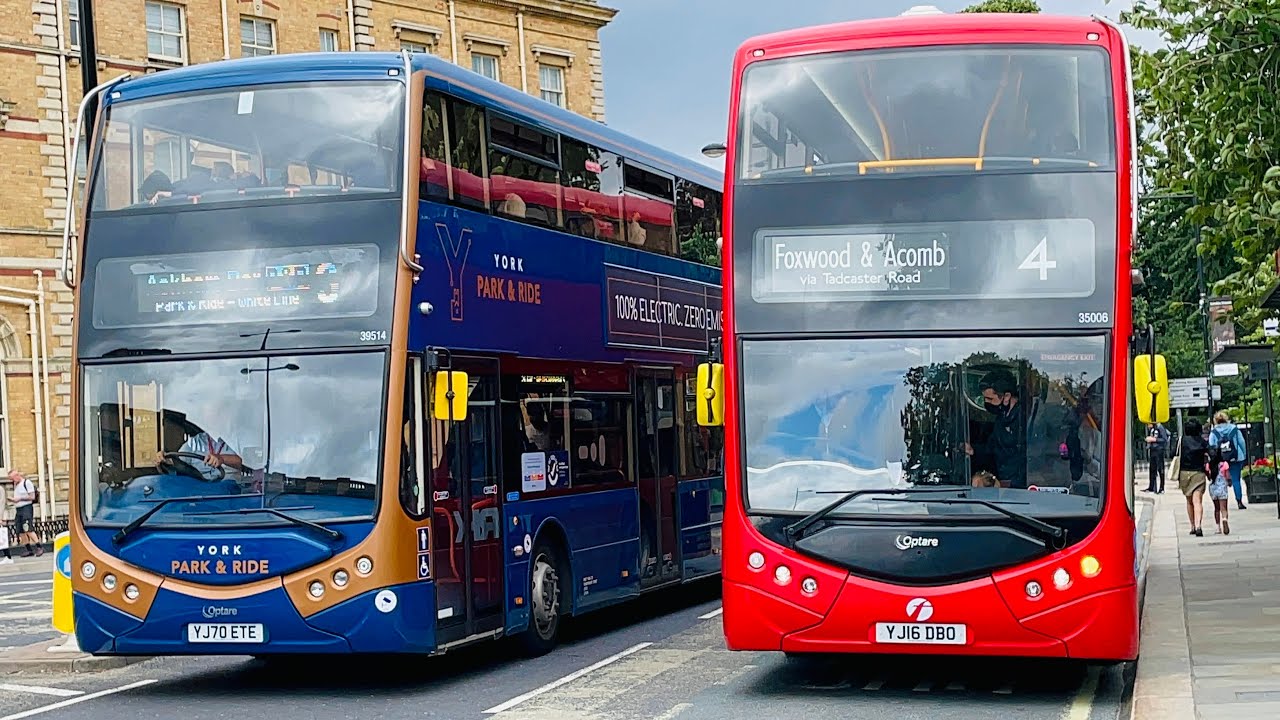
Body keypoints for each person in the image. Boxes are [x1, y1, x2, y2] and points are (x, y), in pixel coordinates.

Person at [964, 369, 1027, 489]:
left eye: (990, 399)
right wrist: (974, 450)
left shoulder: (1024, 420)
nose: (986, 403)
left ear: (1007, 396)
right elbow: (992, 448)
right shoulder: (1001, 418)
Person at [1176, 419, 1210, 537]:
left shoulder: (1182, 441)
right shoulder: (1202, 442)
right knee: (1198, 501)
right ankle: (1198, 525)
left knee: (1189, 501)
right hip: (1198, 473)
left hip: (1184, 473)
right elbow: (1212, 453)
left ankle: (1192, 526)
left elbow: (1172, 453)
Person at [1208, 411, 1248, 509]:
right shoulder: (1234, 429)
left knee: (1220, 479)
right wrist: (1243, 454)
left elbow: (1211, 446)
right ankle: (1239, 501)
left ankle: (1221, 501)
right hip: (1235, 457)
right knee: (1236, 480)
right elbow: (1241, 442)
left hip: (1220, 460)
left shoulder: (1214, 432)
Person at [7, 469, 43, 557]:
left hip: (26, 508)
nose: (12, 480)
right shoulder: (16, 485)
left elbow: (32, 496)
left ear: (17, 476)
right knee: (20, 530)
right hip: (18, 509)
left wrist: (19, 499)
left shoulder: (27, 483)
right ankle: (28, 549)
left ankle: (39, 547)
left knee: (27, 528)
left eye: (12, 478)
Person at [1145, 422, 1170, 493]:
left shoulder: (1160, 427)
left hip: (1159, 450)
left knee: (1160, 468)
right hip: (1152, 450)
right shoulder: (1152, 429)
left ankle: (1161, 487)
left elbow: (1164, 439)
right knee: (1152, 469)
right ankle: (1151, 487)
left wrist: (1154, 440)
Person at [1209, 458, 1231, 535]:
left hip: (1213, 488)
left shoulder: (1209, 464)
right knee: (1223, 508)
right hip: (1222, 487)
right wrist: (1229, 481)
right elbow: (1227, 475)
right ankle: (1224, 519)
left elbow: (1208, 476)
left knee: (1216, 508)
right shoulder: (1224, 464)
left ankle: (1218, 527)